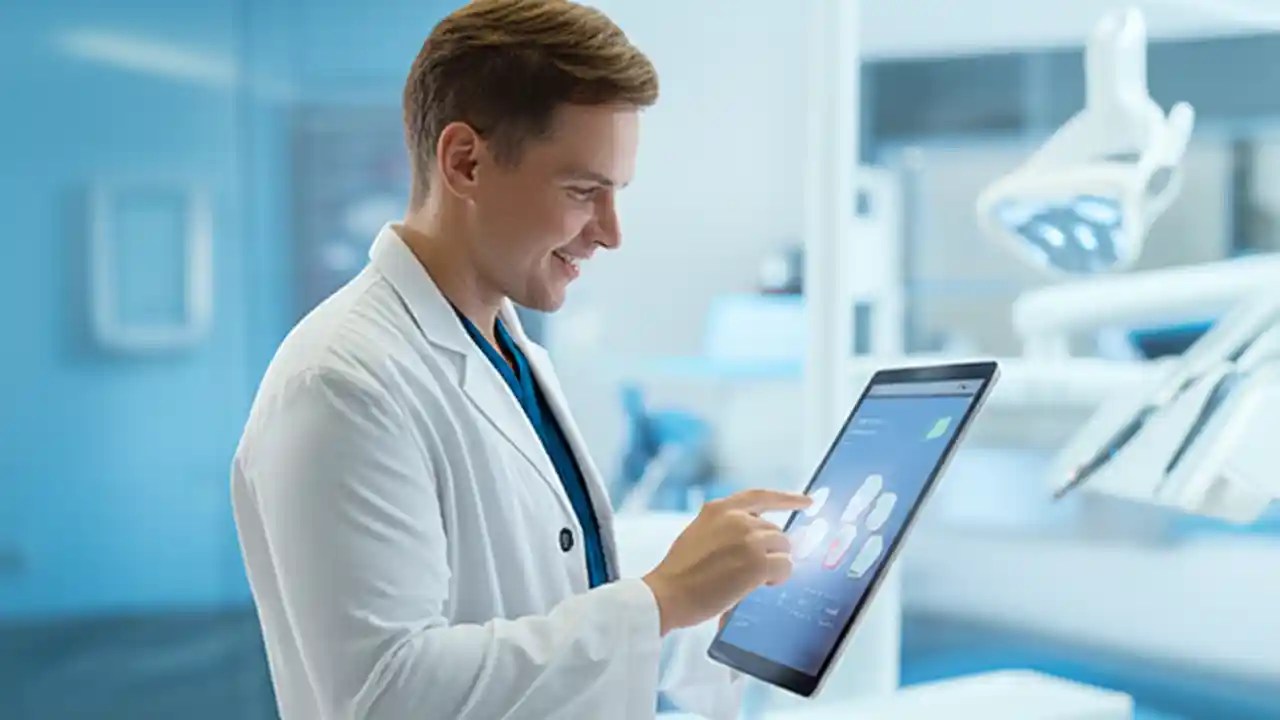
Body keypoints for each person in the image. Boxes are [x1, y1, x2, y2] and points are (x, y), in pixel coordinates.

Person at [231, 1, 810, 718]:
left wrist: (711, 597)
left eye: (616, 193)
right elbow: (385, 694)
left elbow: (548, 605)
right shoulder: (342, 381)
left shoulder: (510, 351)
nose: (610, 233)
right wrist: (661, 600)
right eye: (582, 191)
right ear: (465, 163)